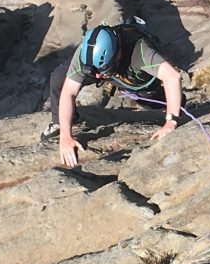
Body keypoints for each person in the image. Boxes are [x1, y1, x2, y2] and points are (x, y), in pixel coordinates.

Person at [42, 20, 183, 167]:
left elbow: (172, 76)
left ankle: (179, 105)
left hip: (136, 78)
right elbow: (69, 91)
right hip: (108, 66)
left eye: (102, 73)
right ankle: (59, 122)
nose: (97, 77)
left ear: (116, 55)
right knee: (59, 79)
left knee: (153, 102)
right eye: (95, 73)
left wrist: (171, 121)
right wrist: (65, 135)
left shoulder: (140, 50)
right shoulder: (88, 51)